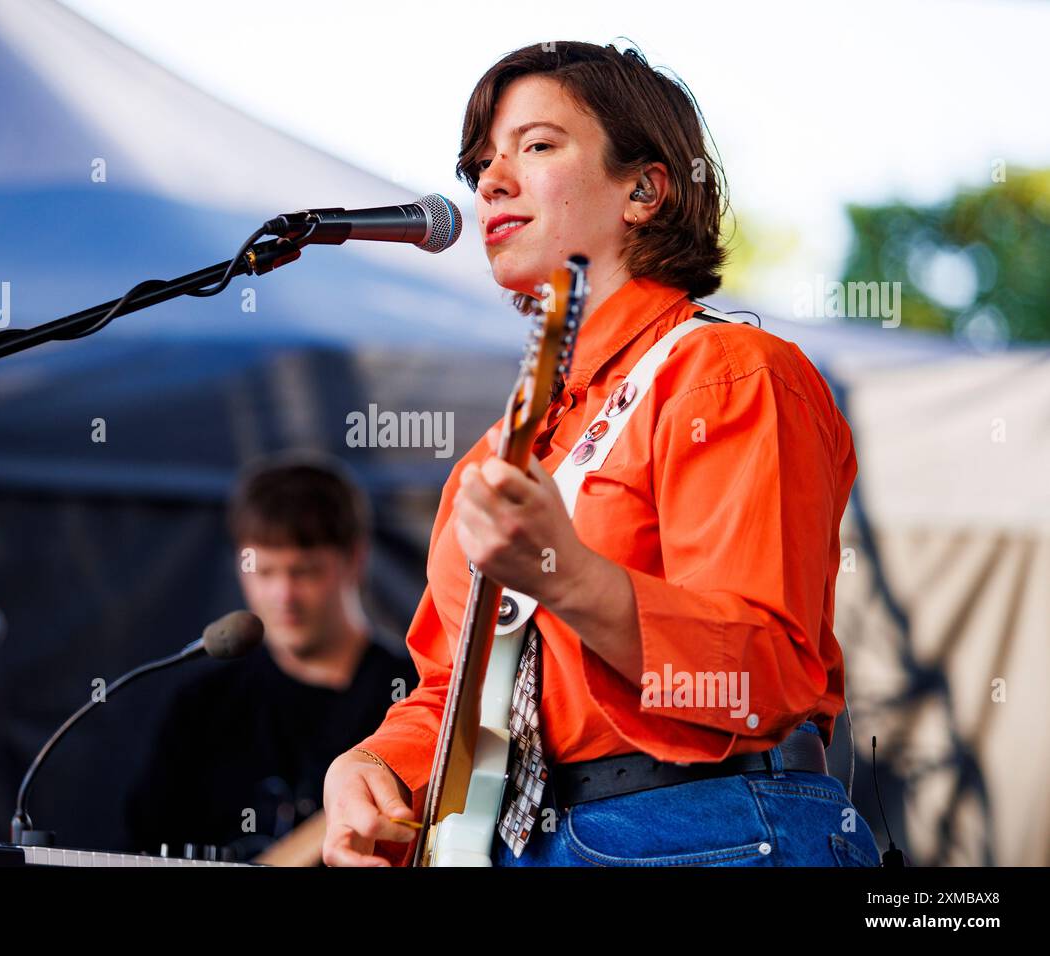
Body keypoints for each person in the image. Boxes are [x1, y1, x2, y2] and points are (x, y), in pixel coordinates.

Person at [321, 40, 883, 868]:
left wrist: (571, 578)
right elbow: (457, 695)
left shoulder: (727, 374)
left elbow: (764, 677)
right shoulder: (498, 450)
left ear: (646, 189)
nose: (490, 182)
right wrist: (372, 765)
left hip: (707, 826)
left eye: (537, 146)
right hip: (524, 838)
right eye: (481, 164)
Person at [125, 456, 417, 863]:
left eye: (306, 572)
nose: (284, 596)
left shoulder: (414, 702)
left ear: (356, 560)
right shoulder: (201, 708)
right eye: (264, 572)